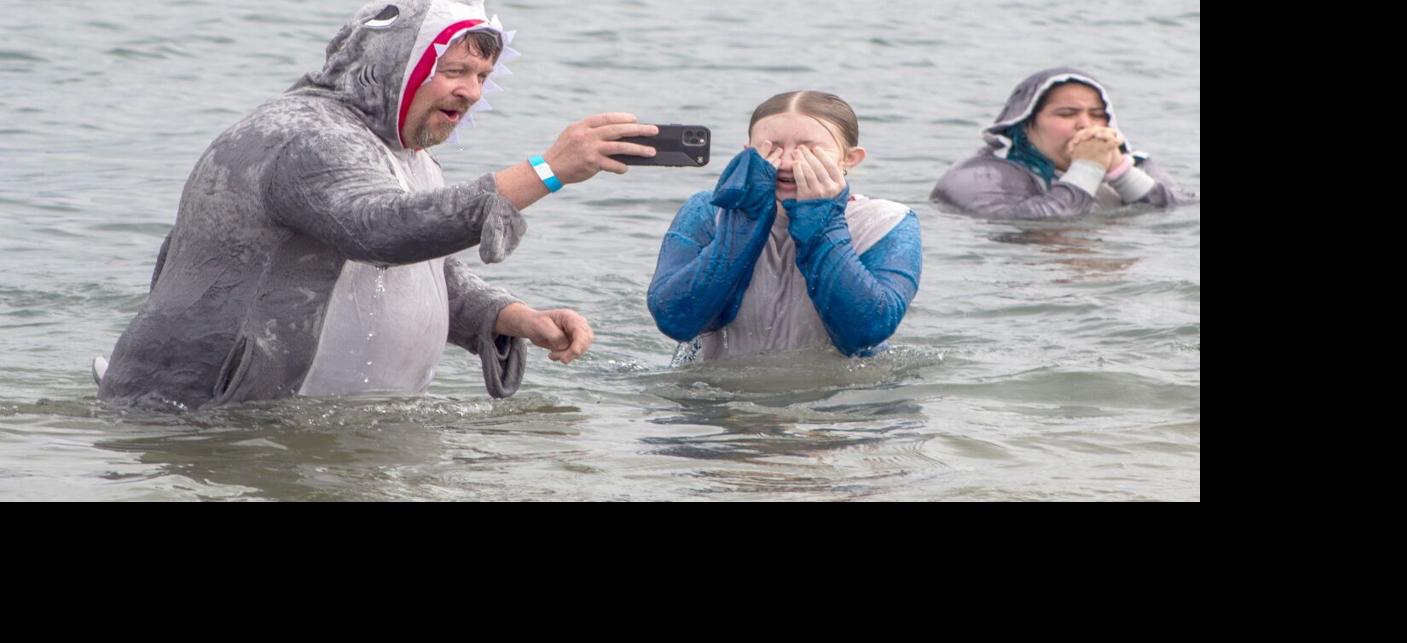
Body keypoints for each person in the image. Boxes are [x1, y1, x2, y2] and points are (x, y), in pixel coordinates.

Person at [95, 0, 659, 411]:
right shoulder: (305, 134)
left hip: (313, 422)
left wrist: (510, 317)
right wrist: (549, 170)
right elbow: (379, 231)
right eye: (455, 71)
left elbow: (418, 268)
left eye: (483, 76)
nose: (473, 92)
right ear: (394, 67)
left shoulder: (401, 151)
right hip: (203, 414)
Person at [647, 91, 922, 363]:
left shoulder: (887, 222)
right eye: (772, 148)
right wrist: (743, 223)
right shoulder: (709, 211)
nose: (788, 163)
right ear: (748, 153)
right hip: (720, 400)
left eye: (809, 149)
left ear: (850, 158)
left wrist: (822, 221)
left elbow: (866, 332)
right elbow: (676, 320)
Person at [931, 67, 1193, 219]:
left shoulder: (1137, 163)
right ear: (1025, 123)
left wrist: (1120, 172)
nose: (1085, 124)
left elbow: (1181, 216)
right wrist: (1088, 168)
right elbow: (1032, 224)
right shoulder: (979, 174)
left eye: (1097, 115)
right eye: (1067, 114)